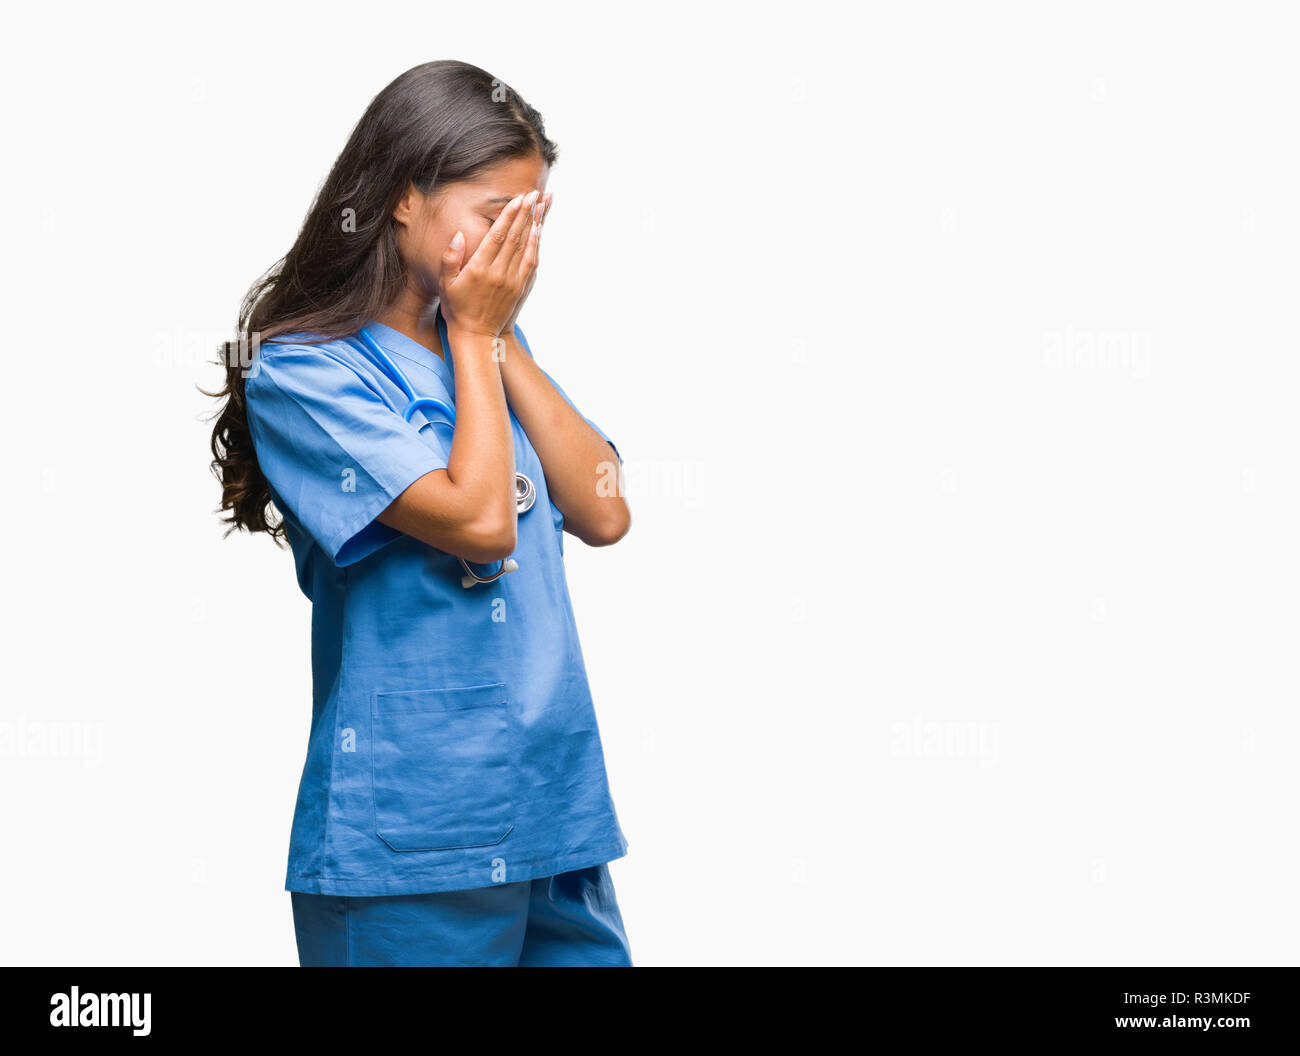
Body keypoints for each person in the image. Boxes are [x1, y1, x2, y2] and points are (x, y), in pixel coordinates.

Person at [206, 59, 632, 966]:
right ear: (404, 200)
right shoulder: (304, 373)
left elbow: (603, 509)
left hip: (554, 819)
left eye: (532, 218)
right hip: (412, 839)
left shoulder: (485, 344)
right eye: (493, 215)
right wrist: (479, 336)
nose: (515, 245)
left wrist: (492, 337)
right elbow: (481, 522)